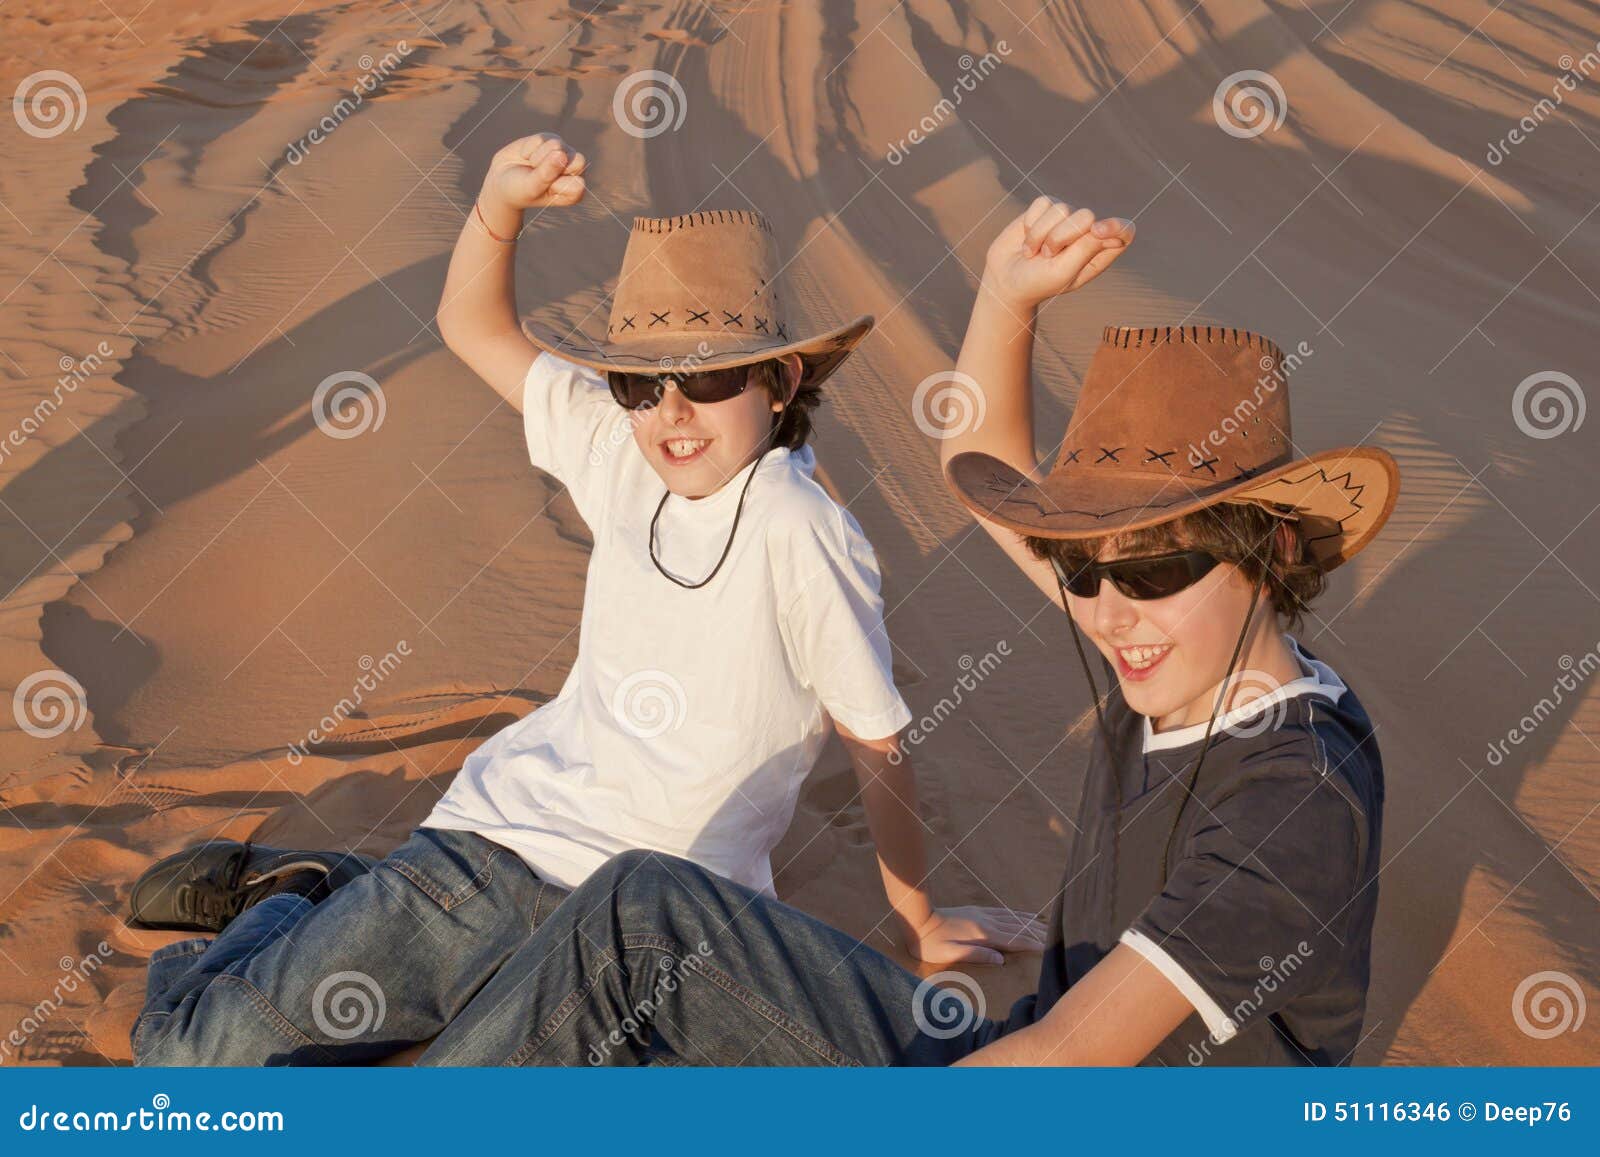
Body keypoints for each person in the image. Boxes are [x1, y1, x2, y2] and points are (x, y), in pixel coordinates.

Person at [404, 195, 1402, 1067]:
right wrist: (1008, 300)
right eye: (1080, 566)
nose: (1105, 611)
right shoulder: (1177, 644)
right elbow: (981, 464)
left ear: (1269, 552)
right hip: (999, 1055)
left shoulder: (1296, 795)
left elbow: (1067, 1058)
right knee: (641, 907)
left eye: (1150, 569)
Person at [126, 133, 1041, 1066]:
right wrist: (499, 205)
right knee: (184, 1064)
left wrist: (916, 917)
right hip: (484, 860)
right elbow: (472, 325)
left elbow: (875, 738)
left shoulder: (797, 525)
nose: (672, 413)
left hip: (643, 944)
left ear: (781, 379)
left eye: (710, 376)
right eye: (642, 383)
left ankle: (327, 900)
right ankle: (298, 900)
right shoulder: (618, 448)